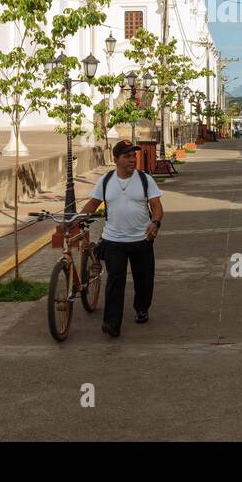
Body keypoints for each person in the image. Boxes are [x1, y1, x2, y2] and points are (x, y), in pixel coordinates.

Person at [80, 140, 164, 336]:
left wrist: (156, 222)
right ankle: (111, 323)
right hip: (113, 240)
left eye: (133, 156)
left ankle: (141, 308)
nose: (132, 159)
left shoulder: (145, 180)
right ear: (115, 159)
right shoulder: (106, 180)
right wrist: (76, 221)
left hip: (141, 239)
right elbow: (93, 204)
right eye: (127, 156)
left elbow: (156, 206)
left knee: (144, 280)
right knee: (115, 281)